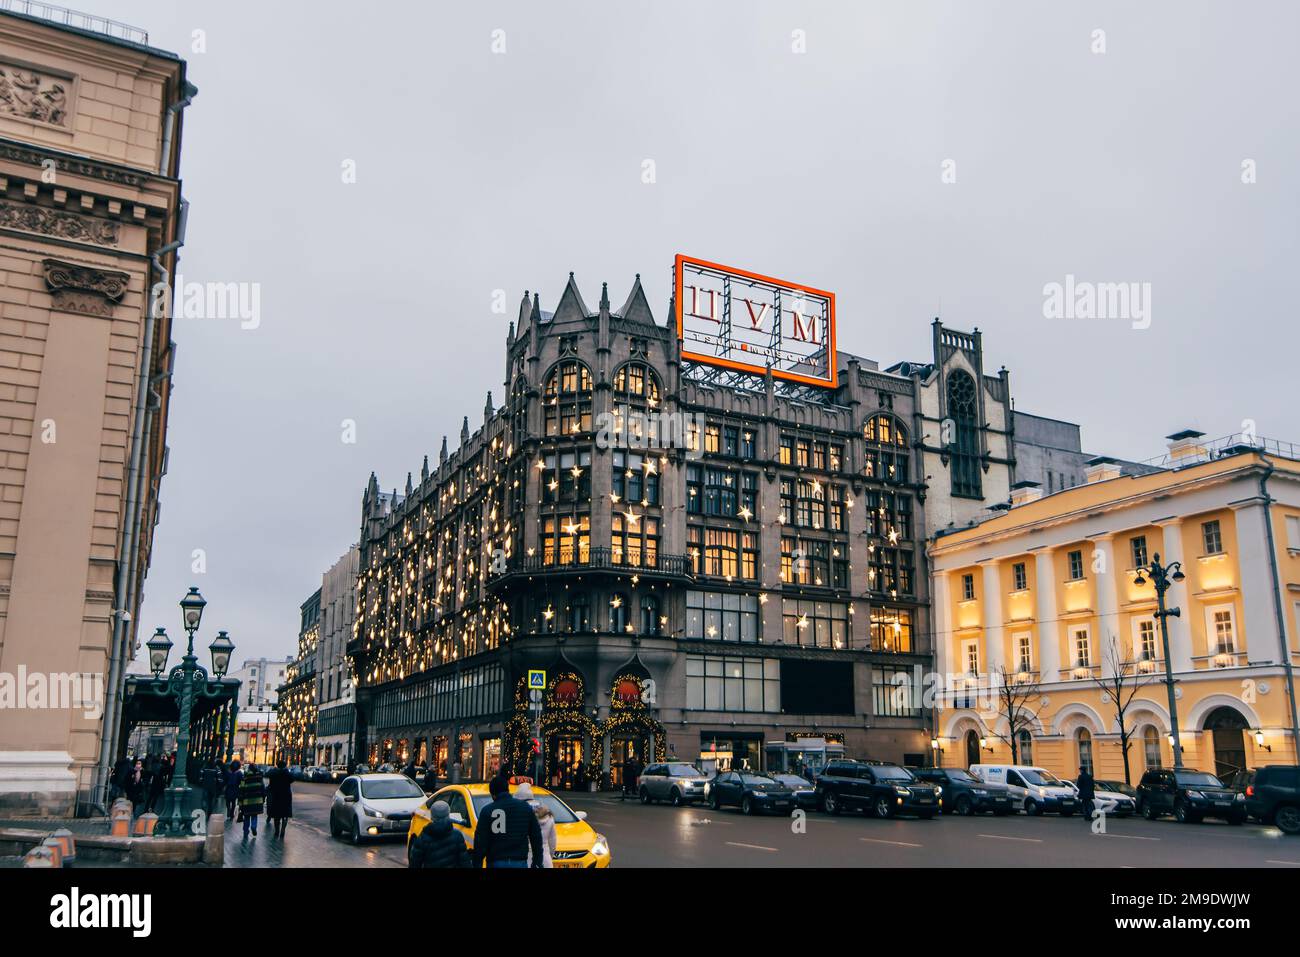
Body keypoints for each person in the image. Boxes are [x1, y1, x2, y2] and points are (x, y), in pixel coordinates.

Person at [471, 775, 543, 868]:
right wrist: (537, 861)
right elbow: (536, 836)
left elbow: (481, 841)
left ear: (493, 794)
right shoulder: (525, 808)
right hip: (519, 861)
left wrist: (477, 863)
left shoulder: (487, 810)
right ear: (507, 789)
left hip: (496, 861)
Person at [408, 800, 471, 868]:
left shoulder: (423, 838)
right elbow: (465, 862)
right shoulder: (457, 835)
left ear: (432, 816)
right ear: (448, 815)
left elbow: (414, 864)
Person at [515, 782, 557, 868]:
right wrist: (549, 856)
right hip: (545, 860)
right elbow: (553, 842)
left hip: (524, 860)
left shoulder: (518, 812)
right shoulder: (547, 813)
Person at [266, 759, 294, 838]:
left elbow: (267, 774)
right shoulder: (287, 773)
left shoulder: (274, 773)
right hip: (286, 796)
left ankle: (277, 830)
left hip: (276, 795)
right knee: (285, 815)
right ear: (285, 766)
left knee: (276, 815)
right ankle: (283, 829)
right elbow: (292, 778)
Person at [239, 763, 265, 838]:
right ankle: (254, 827)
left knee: (246, 816)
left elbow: (242, 789)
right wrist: (263, 798)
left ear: (249, 769)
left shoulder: (245, 777)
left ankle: (246, 831)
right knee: (254, 815)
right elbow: (262, 787)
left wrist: (240, 802)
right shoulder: (259, 776)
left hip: (247, 800)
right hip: (257, 800)